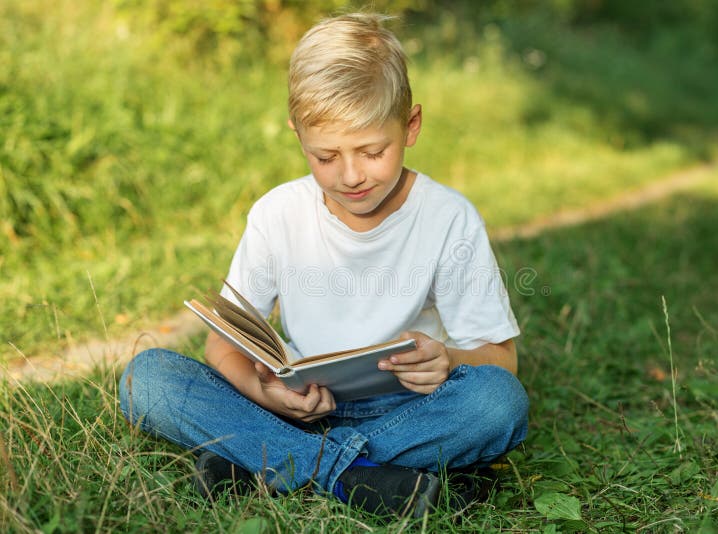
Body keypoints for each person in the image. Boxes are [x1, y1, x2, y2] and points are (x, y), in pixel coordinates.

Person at [119, 12, 529, 519]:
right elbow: (224, 341)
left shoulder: (449, 217)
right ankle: (365, 478)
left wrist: (449, 359)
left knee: (497, 403)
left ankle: (263, 461)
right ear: (298, 135)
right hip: (296, 409)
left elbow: (501, 360)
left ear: (412, 126)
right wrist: (261, 393)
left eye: (372, 151)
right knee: (147, 377)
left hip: (409, 409)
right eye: (326, 156)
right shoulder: (277, 212)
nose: (351, 175)